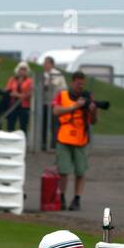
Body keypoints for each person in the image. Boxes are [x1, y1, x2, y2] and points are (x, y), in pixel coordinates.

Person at [52, 70, 96, 211]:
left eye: (82, 84)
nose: (80, 87)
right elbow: (56, 111)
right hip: (64, 138)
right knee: (63, 171)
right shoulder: (63, 95)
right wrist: (74, 106)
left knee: (80, 172)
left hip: (81, 140)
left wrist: (93, 110)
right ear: (72, 82)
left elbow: (94, 121)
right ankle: (62, 197)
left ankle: (77, 199)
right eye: (78, 84)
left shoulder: (88, 97)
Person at [41, 56, 68, 150]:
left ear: (52, 64)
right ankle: (43, 143)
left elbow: (52, 85)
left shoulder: (56, 74)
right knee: (43, 124)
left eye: (46, 63)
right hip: (45, 102)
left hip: (56, 103)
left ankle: (55, 143)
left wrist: (45, 83)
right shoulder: (43, 74)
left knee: (54, 124)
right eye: (44, 63)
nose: (44, 65)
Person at [4, 61, 34, 133]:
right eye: (21, 69)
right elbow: (7, 90)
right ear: (18, 70)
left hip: (24, 106)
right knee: (10, 124)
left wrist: (17, 95)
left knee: (23, 126)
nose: (22, 71)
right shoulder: (12, 79)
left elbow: (29, 94)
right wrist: (12, 93)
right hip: (12, 105)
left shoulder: (29, 81)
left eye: (24, 69)